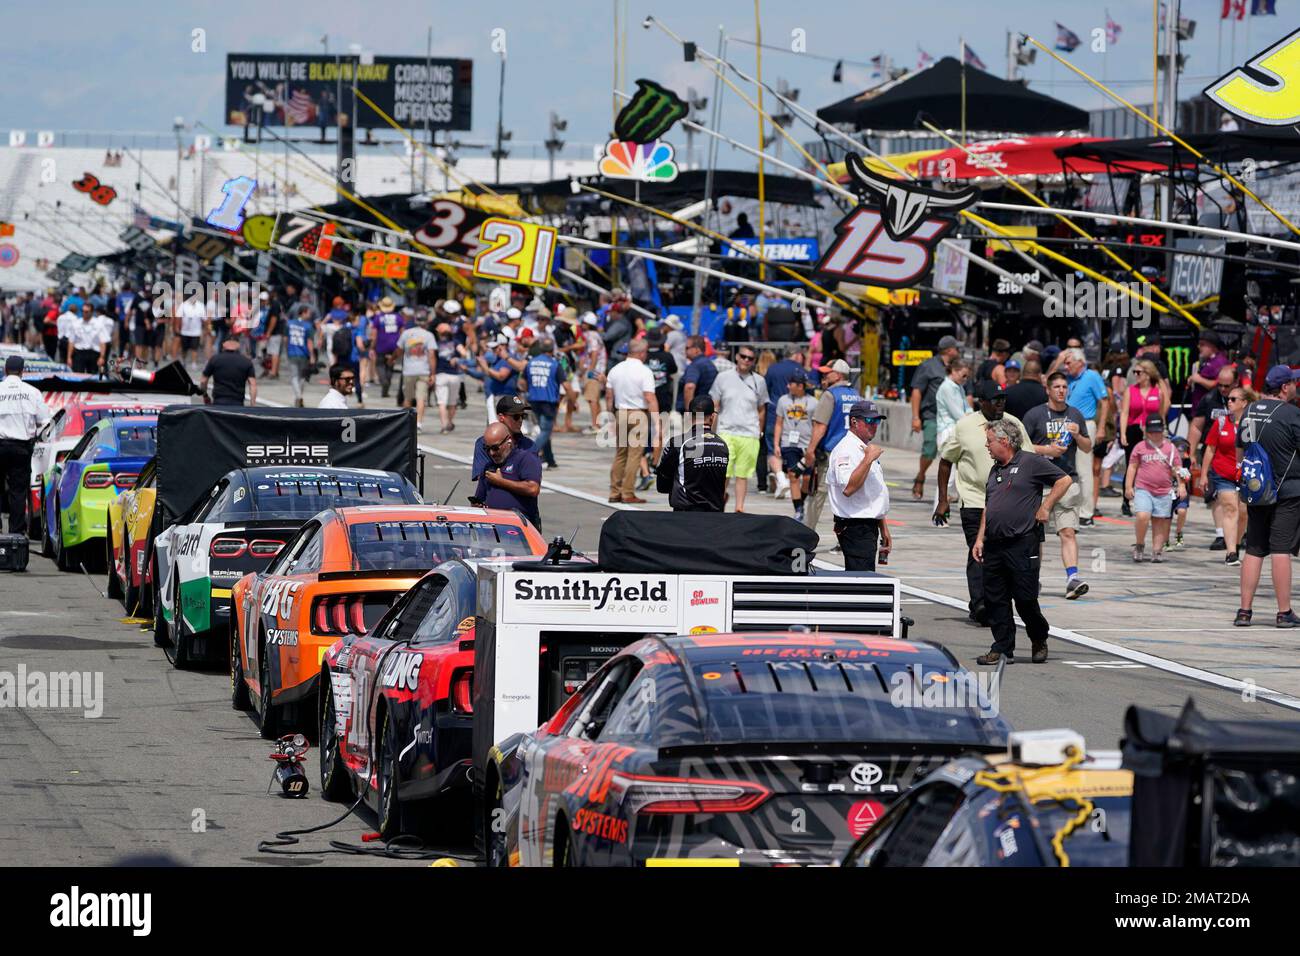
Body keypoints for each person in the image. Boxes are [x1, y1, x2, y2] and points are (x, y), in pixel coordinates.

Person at [973, 419, 1072, 665]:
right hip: (995, 543)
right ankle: (1003, 647)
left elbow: (1064, 480)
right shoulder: (995, 470)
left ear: (1004, 441)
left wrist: (1046, 506)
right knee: (995, 598)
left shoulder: (1030, 462)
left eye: (989, 441)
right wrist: (980, 538)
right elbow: (990, 506)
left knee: (1025, 599)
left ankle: (1039, 637)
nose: (987, 446)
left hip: (1022, 542)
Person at [934, 382, 1027, 625]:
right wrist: (943, 501)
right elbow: (945, 461)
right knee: (980, 551)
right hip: (974, 501)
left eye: (1003, 399)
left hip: (1007, 503)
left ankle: (991, 601)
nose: (1000, 404)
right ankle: (981, 604)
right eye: (994, 399)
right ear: (981, 402)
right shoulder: (964, 426)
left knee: (1000, 555)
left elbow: (1029, 459)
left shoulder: (1013, 424)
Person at [1234, 365, 1300, 628]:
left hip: (1256, 488)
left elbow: (1240, 451)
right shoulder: (1292, 414)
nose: (1295, 386)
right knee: (1281, 549)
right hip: (1287, 491)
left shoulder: (1248, 411)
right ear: (1284, 387)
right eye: (1293, 382)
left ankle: (1244, 611)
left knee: (1254, 548)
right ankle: (1284, 612)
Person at [1022, 371, 1093, 598]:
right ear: (1048, 389)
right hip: (1038, 484)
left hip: (1066, 480)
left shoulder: (1075, 415)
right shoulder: (1035, 415)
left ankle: (1072, 579)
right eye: (1057, 387)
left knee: (1068, 531)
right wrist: (1046, 450)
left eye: (1064, 387)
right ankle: (1034, 579)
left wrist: (1078, 436)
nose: (1061, 390)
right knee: (1035, 535)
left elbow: (1087, 447)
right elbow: (1021, 446)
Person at [827, 400, 892, 571]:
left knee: (865, 577)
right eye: (869, 421)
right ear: (854, 421)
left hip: (868, 524)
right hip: (855, 526)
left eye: (877, 421)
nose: (874, 426)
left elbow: (872, 493)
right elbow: (848, 488)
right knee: (861, 579)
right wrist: (868, 459)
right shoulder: (846, 449)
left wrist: (883, 526)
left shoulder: (863, 448)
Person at [802, 359, 861, 530]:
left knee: (818, 494)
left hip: (831, 453)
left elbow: (820, 426)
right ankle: (849, 535)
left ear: (838, 375)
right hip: (852, 453)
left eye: (828, 372)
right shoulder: (856, 395)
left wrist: (810, 450)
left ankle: (807, 534)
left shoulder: (830, 394)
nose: (824, 375)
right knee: (848, 495)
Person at [710, 344, 768, 513]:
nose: (746, 360)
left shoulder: (759, 381)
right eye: (743, 356)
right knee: (724, 473)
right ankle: (718, 505)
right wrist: (710, 431)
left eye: (750, 358)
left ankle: (739, 508)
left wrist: (760, 431)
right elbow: (715, 404)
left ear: (754, 361)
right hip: (726, 430)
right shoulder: (723, 377)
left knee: (743, 474)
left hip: (749, 432)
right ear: (737, 357)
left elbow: (762, 409)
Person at [1199, 384, 1251, 567]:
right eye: (1228, 399)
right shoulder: (1221, 422)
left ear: (1244, 403)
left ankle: (1236, 544)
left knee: (1243, 513)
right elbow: (1210, 449)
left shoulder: (1251, 424)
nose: (1229, 402)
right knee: (1230, 508)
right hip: (1223, 473)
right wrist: (1204, 474)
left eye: (1233, 399)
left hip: (1245, 474)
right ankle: (1231, 553)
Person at [0, 355, 52, 536]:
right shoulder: (33, 392)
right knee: (18, 492)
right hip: (21, 448)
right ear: (22, 372)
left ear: (5, 371)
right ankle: (16, 535)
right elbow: (46, 424)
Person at [1124, 414, 1184, 563]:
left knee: (1159, 521)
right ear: (1146, 431)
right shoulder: (1140, 447)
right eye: (1152, 431)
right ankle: (1139, 544)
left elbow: (1178, 468)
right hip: (1144, 488)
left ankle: (1157, 550)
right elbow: (1132, 466)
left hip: (1164, 491)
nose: (1155, 434)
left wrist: (1182, 485)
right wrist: (1128, 486)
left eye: (1157, 431)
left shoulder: (1170, 448)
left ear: (1162, 430)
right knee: (1142, 516)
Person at [605, 338, 659, 504]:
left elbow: (609, 396)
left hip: (620, 412)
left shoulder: (615, 369)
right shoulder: (644, 371)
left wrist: (611, 416)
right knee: (635, 455)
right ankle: (627, 492)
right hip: (638, 414)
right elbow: (649, 398)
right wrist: (657, 422)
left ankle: (615, 491)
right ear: (642, 353)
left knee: (620, 454)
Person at [655, 395, 729, 512]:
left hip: (686, 515)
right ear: (713, 417)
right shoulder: (723, 445)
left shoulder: (678, 442)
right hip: (715, 516)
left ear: (689, 416)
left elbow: (662, 485)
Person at [1062, 347, 1109, 526]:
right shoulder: (1068, 379)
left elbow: (1104, 402)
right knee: (1067, 467)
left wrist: (1102, 427)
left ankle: (1086, 512)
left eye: (1069, 362)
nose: (1066, 366)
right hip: (1067, 423)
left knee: (1084, 469)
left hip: (1085, 423)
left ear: (1080, 362)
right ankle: (1071, 506)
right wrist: (1060, 360)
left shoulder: (1092, 376)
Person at [908, 335, 960, 499]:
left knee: (952, 453)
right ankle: (921, 475)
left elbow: (967, 393)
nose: (958, 351)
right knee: (930, 449)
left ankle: (948, 489)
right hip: (932, 416)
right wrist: (916, 417)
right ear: (949, 350)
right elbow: (916, 391)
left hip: (953, 418)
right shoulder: (928, 366)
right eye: (956, 348)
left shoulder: (958, 368)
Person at [474, 422, 542, 531]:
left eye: (495, 448)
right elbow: (479, 499)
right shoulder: (488, 467)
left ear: (508, 440)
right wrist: (477, 507)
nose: (491, 453)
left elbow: (533, 488)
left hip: (519, 529)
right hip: (491, 529)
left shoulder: (525, 459)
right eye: (487, 449)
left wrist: (501, 482)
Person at [773, 371, 817, 521]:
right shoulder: (783, 400)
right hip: (788, 443)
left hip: (807, 444)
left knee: (806, 479)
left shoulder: (813, 402)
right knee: (793, 475)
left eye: (790, 383)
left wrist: (815, 446)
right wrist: (776, 444)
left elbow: (816, 425)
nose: (787, 386)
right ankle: (798, 509)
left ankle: (801, 502)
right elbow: (779, 423)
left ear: (800, 386)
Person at [472, 395, 537, 481]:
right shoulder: (484, 443)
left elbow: (531, 483)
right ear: (501, 417)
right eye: (516, 417)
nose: (521, 420)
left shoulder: (529, 445)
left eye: (523, 416)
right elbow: (483, 479)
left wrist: (501, 480)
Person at [525, 339, 563, 469]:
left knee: (543, 430)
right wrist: (572, 401)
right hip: (548, 400)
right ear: (552, 350)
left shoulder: (531, 363)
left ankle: (549, 458)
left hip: (533, 399)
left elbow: (523, 382)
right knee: (546, 431)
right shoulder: (554, 364)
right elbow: (566, 385)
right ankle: (528, 454)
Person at [395, 318, 436, 429]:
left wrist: (392, 359)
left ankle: (406, 423)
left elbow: (399, 349)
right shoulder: (429, 335)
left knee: (407, 398)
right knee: (421, 398)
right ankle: (418, 423)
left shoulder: (406, 334)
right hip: (423, 370)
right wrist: (433, 373)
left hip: (409, 370)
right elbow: (431, 355)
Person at [200, 337, 256, 406]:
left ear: (223, 345)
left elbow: (203, 381)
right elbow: (253, 384)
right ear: (238, 345)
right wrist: (252, 405)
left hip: (219, 401)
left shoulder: (215, 359)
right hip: (238, 402)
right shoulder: (246, 362)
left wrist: (205, 396)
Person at [432, 322, 467, 433]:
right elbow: (464, 353)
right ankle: (449, 422)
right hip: (454, 375)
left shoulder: (436, 344)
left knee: (442, 402)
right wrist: (457, 359)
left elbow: (432, 358)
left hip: (440, 374)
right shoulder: (456, 342)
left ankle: (444, 426)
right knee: (452, 402)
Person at [1185, 328, 1228, 415]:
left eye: (1202, 345)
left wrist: (1199, 379)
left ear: (1212, 346)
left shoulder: (1220, 362)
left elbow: (1217, 385)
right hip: (1199, 408)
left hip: (1209, 410)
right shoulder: (1208, 361)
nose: (1199, 347)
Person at [578, 312, 608, 434]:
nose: (581, 324)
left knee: (592, 398)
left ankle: (595, 426)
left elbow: (594, 353)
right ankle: (599, 424)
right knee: (594, 398)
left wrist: (589, 371)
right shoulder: (593, 334)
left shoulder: (591, 335)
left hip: (594, 371)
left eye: (583, 322)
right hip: (597, 370)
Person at [371, 298, 407, 399]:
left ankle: (384, 382)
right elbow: (402, 332)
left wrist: (372, 347)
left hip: (381, 345)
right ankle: (385, 390)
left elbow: (374, 334)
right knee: (390, 365)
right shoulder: (398, 317)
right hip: (395, 346)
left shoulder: (378, 318)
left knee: (379, 365)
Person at [285, 305, 317, 408]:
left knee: (294, 376)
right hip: (303, 353)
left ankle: (298, 396)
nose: (310, 314)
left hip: (292, 352)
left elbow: (285, 339)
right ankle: (299, 396)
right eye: (308, 312)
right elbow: (309, 342)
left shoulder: (289, 324)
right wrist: (312, 355)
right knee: (302, 376)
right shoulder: (308, 326)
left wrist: (287, 350)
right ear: (303, 312)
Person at [67, 303, 108, 373]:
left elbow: (103, 342)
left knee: (92, 377)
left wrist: (102, 357)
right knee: (77, 376)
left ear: (92, 312)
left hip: (93, 353)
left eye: (86, 312)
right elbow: (71, 342)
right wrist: (69, 357)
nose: (84, 313)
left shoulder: (98, 324)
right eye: (82, 311)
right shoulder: (76, 323)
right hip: (79, 353)